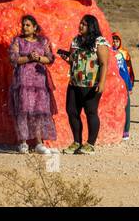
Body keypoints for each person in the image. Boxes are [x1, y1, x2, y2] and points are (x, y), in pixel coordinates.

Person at [59, 14, 110, 154]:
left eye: (84, 24)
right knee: (72, 111)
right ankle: (76, 142)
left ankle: (90, 144)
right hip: (75, 83)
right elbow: (73, 60)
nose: (81, 26)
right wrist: (67, 58)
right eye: (80, 23)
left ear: (91, 26)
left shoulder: (100, 42)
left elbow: (104, 63)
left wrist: (102, 82)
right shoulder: (76, 40)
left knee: (91, 112)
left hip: (91, 84)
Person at [7, 15, 57, 154]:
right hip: (23, 81)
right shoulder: (18, 41)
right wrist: (28, 58)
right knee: (23, 110)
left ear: (35, 27)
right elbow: (13, 58)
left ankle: (39, 142)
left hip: (39, 82)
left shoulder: (43, 41)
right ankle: (23, 142)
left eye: (28, 25)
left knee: (39, 110)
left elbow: (50, 58)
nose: (24, 27)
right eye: (23, 25)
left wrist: (39, 58)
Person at [111, 33, 135, 140]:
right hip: (112, 84)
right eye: (113, 40)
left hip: (123, 83)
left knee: (126, 106)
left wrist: (129, 86)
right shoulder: (108, 52)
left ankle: (125, 130)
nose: (115, 43)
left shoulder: (122, 54)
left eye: (117, 41)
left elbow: (126, 70)